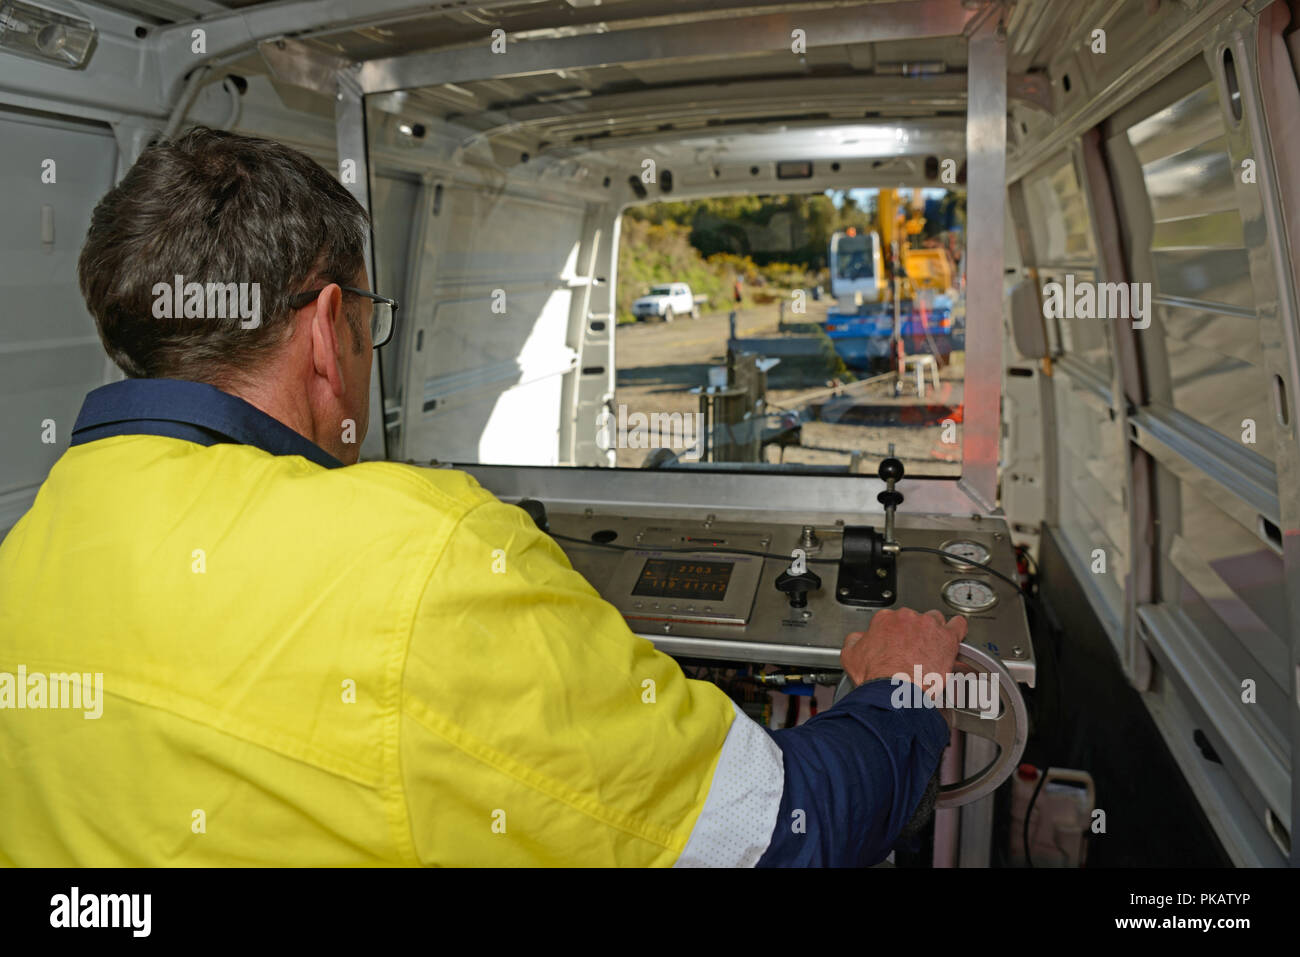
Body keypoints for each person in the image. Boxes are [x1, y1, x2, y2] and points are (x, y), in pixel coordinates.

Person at [0, 128, 965, 867]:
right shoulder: (425, 555)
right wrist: (905, 687)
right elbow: (780, 834)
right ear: (328, 328)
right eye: (371, 317)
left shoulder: (27, 551)